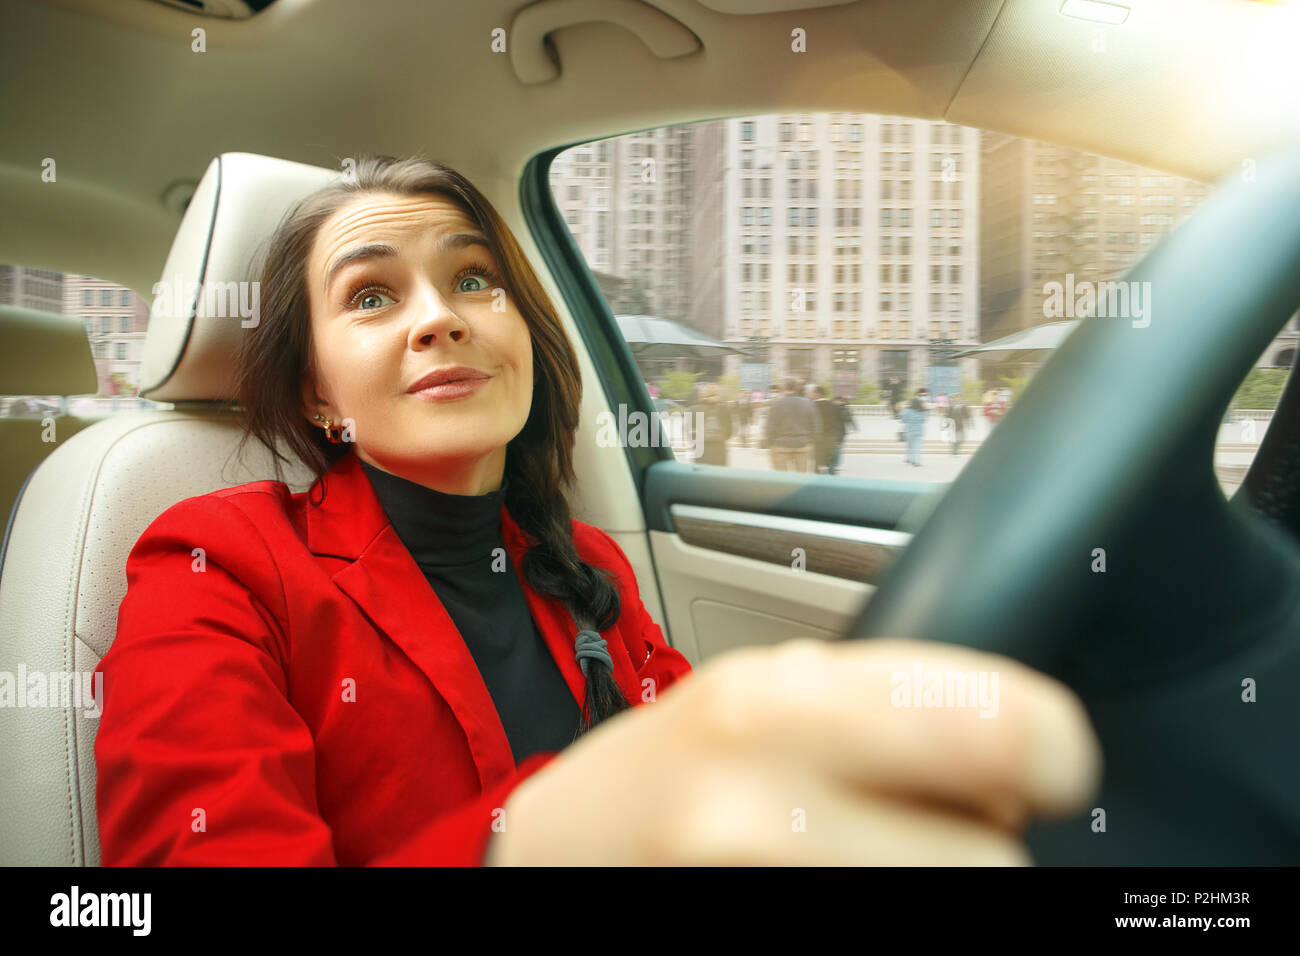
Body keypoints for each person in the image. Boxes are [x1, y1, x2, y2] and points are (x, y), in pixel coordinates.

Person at [93, 156, 1100, 867]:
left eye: (472, 277)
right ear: (316, 393)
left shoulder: (584, 565)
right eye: (369, 297)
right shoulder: (217, 562)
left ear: (521, 335)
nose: (441, 315)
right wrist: (536, 838)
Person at [764, 378, 820, 472]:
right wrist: (811, 441)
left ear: (784, 389)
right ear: (797, 389)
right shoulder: (808, 403)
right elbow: (816, 425)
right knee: (800, 478)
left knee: (781, 479)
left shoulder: (776, 404)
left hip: (781, 445)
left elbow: (770, 426)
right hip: (802, 445)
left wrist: (770, 443)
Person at [691, 381, 732, 466]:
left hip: (701, 447)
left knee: (702, 474)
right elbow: (730, 430)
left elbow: (691, 432)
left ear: (702, 394)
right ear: (718, 394)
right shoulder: (724, 408)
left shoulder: (695, 409)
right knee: (718, 475)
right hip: (719, 446)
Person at [811, 385, 840, 473]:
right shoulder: (833, 405)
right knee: (830, 463)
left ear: (818, 394)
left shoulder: (812, 405)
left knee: (816, 463)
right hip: (831, 438)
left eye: (812, 392)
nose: (811, 394)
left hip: (817, 439)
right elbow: (838, 423)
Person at [827, 394, 858, 475]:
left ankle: (834, 466)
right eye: (836, 400)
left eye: (839, 401)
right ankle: (831, 465)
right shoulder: (830, 409)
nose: (837, 402)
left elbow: (849, 419)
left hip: (840, 433)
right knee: (833, 450)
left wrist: (854, 427)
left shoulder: (844, 409)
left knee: (838, 450)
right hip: (831, 433)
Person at [900, 394, 928, 467]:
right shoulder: (922, 411)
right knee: (918, 447)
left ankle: (911, 460)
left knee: (910, 447)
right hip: (919, 431)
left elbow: (903, 420)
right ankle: (917, 461)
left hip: (910, 431)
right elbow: (923, 420)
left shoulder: (907, 411)